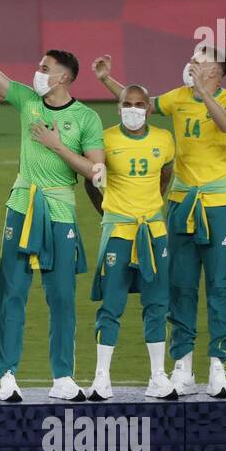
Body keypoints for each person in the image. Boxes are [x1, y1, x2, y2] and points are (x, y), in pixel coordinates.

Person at [0, 3, 104, 403]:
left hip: (60, 213)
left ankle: (63, 376)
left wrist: (56, 144)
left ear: (63, 77)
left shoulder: (86, 118)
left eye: (45, 68)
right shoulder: (28, 101)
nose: (38, 72)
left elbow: (95, 170)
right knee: (12, 292)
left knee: (62, 296)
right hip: (21, 208)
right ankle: (6, 375)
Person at [93, 47, 226, 397]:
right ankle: (183, 364)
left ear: (216, 71)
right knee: (181, 285)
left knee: (220, 285)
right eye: (190, 57)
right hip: (180, 201)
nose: (190, 63)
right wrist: (105, 80)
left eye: (199, 61)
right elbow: (137, 104)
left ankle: (218, 364)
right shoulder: (176, 98)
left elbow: (225, 124)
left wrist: (202, 92)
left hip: (219, 202)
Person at [45, 86, 175, 400]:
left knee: (156, 305)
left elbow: (166, 174)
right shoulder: (105, 139)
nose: (133, 109)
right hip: (119, 231)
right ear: (118, 109)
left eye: (139, 104)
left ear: (148, 107)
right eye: (127, 104)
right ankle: (101, 378)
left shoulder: (163, 140)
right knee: (112, 305)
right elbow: (92, 178)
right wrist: (106, 209)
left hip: (153, 231)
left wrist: (150, 203)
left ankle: (158, 377)